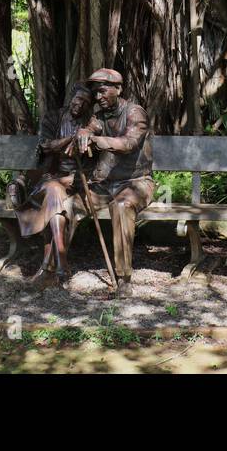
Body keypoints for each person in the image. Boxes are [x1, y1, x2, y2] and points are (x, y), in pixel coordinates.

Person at [6, 82, 98, 286]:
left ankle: (53, 266)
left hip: (77, 181)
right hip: (49, 178)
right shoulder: (53, 117)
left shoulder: (91, 123)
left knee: (56, 206)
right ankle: (62, 263)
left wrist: (86, 137)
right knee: (55, 190)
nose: (79, 105)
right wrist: (71, 138)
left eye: (85, 102)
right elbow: (46, 146)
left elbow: (96, 148)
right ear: (70, 99)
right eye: (77, 99)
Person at [78, 68, 153, 295]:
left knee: (120, 206)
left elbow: (128, 144)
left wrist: (98, 141)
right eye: (95, 93)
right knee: (65, 204)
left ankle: (124, 278)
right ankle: (54, 269)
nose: (98, 97)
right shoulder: (99, 115)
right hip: (103, 184)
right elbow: (91, 127)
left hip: (136, 183)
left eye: (102, 91)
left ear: (118, 89)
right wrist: (83, 132)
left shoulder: (135, 113)